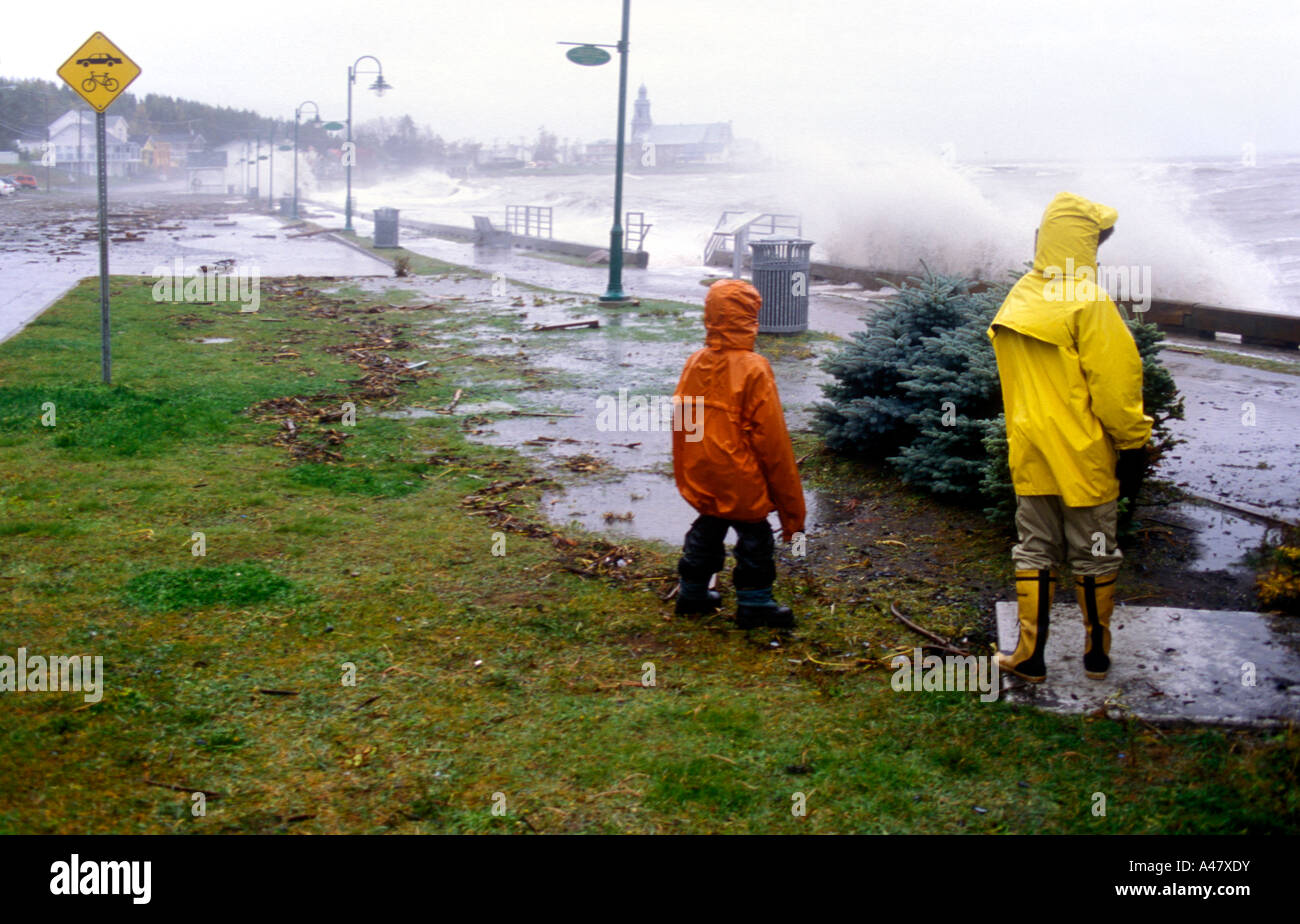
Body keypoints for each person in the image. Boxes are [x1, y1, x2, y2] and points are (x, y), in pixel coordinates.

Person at [987, 192, 1152, 682]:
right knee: (1094, 550)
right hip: (1084, 454)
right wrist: (1134, 442)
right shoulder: (1089, 300)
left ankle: (1029, 657)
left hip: (1031, 448)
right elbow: (1117, 386)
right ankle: (1097, 654)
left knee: (1034, 547)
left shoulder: (1019, 295)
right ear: (1084, 242)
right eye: (1097, 239)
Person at [671, 279, 806, 629]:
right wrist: (793, 515)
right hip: (740, 473)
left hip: (702, 468)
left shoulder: (694, 362)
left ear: (711, 315)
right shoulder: (754, 367)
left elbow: (684, 425)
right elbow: (771, 441)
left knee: (707, 527)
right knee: (756, 537)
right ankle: (755, 604)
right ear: (749, 317)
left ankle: (692, 593)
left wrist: (691, 469)